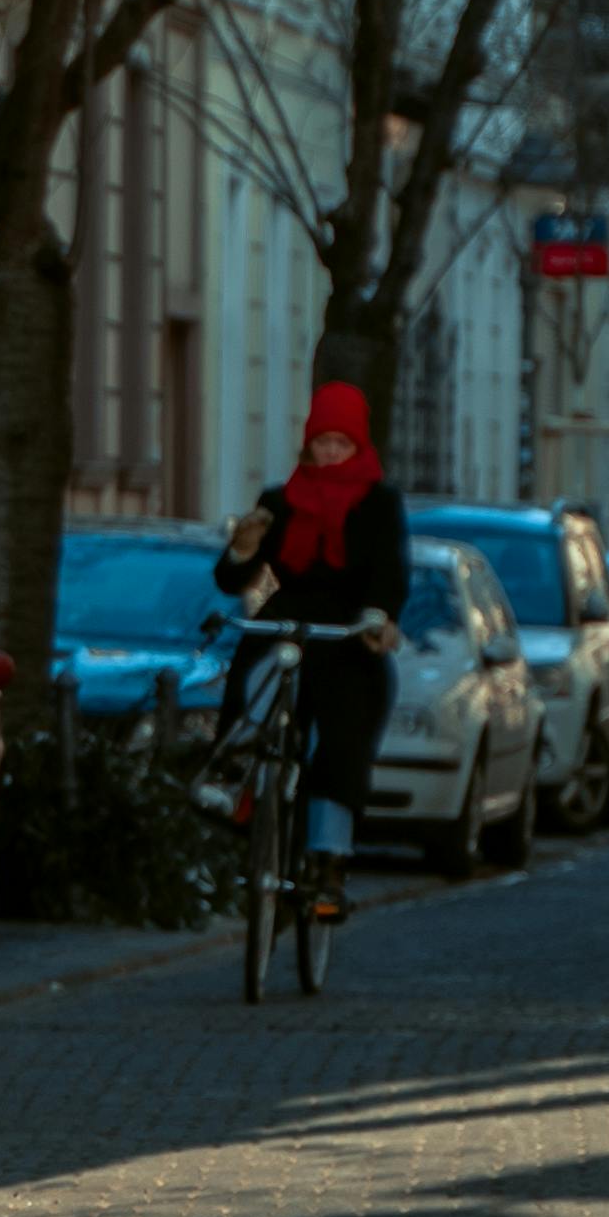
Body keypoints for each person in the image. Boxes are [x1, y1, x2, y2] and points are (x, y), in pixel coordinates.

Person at [215, 374, 406, 912]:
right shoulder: (280, 499)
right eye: (323, 443)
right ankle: (238, 782)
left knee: (343, 741)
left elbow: (390, 571)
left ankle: (327, 861)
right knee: (255, 679)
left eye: (341, 444)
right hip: (289, 619)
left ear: (359, 445)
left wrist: (379, 617)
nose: (331, 453)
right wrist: (244, 548)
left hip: (346, 631)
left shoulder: (379, 502)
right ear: (309, 443)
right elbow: (234, 580)